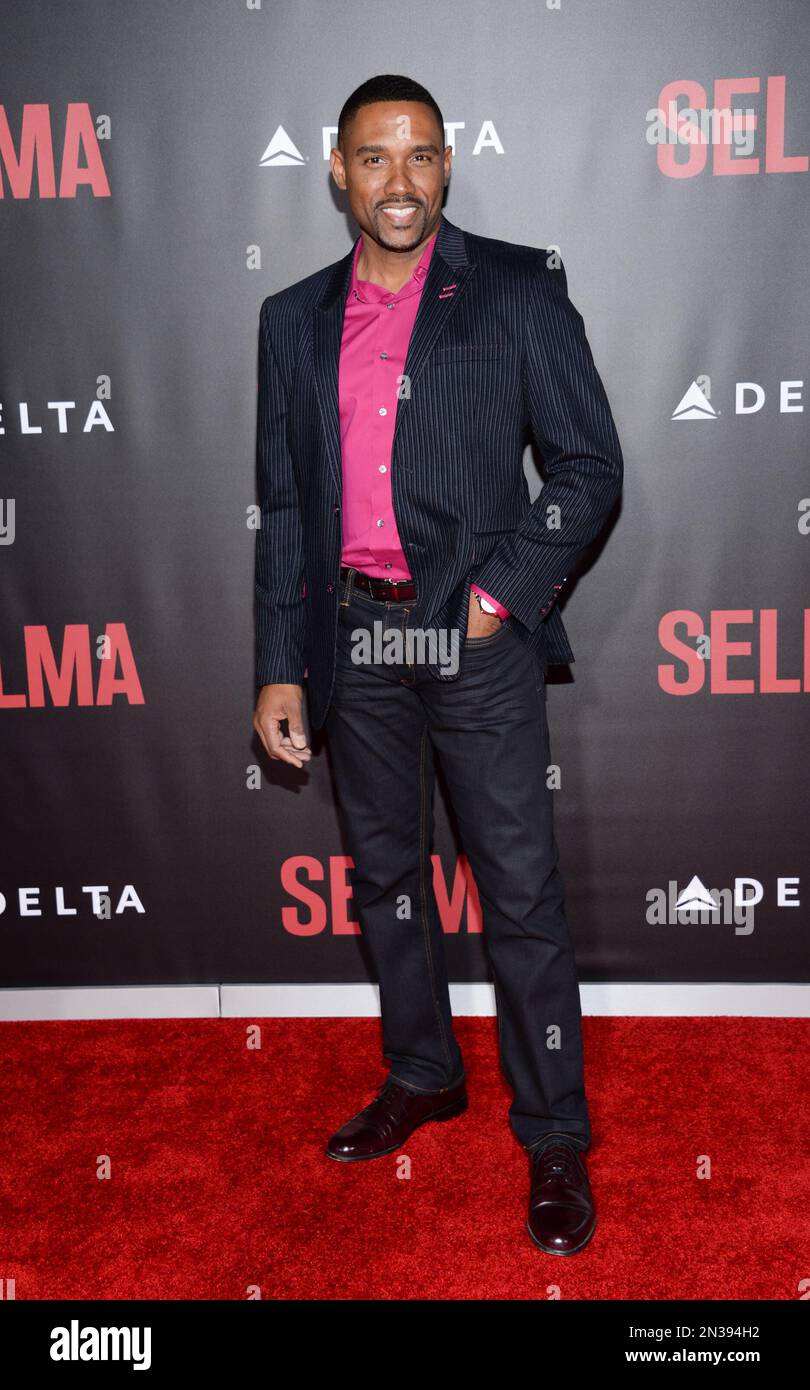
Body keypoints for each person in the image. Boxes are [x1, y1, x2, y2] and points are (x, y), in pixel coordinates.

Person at [253, 73, 623, 1255]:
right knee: (385, 880)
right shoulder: (291, 320)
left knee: (518, 894)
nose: (398, 181)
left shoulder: (514, 289)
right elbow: (284, 503)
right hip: (352, 641)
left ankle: (555, 1131)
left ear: (448, 166)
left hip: (469, 642)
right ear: (337, 172)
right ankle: (424, 1069)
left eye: (419, 157)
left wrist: (497, 599)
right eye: (374, 158)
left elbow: (588, 469)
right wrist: (278, 663)